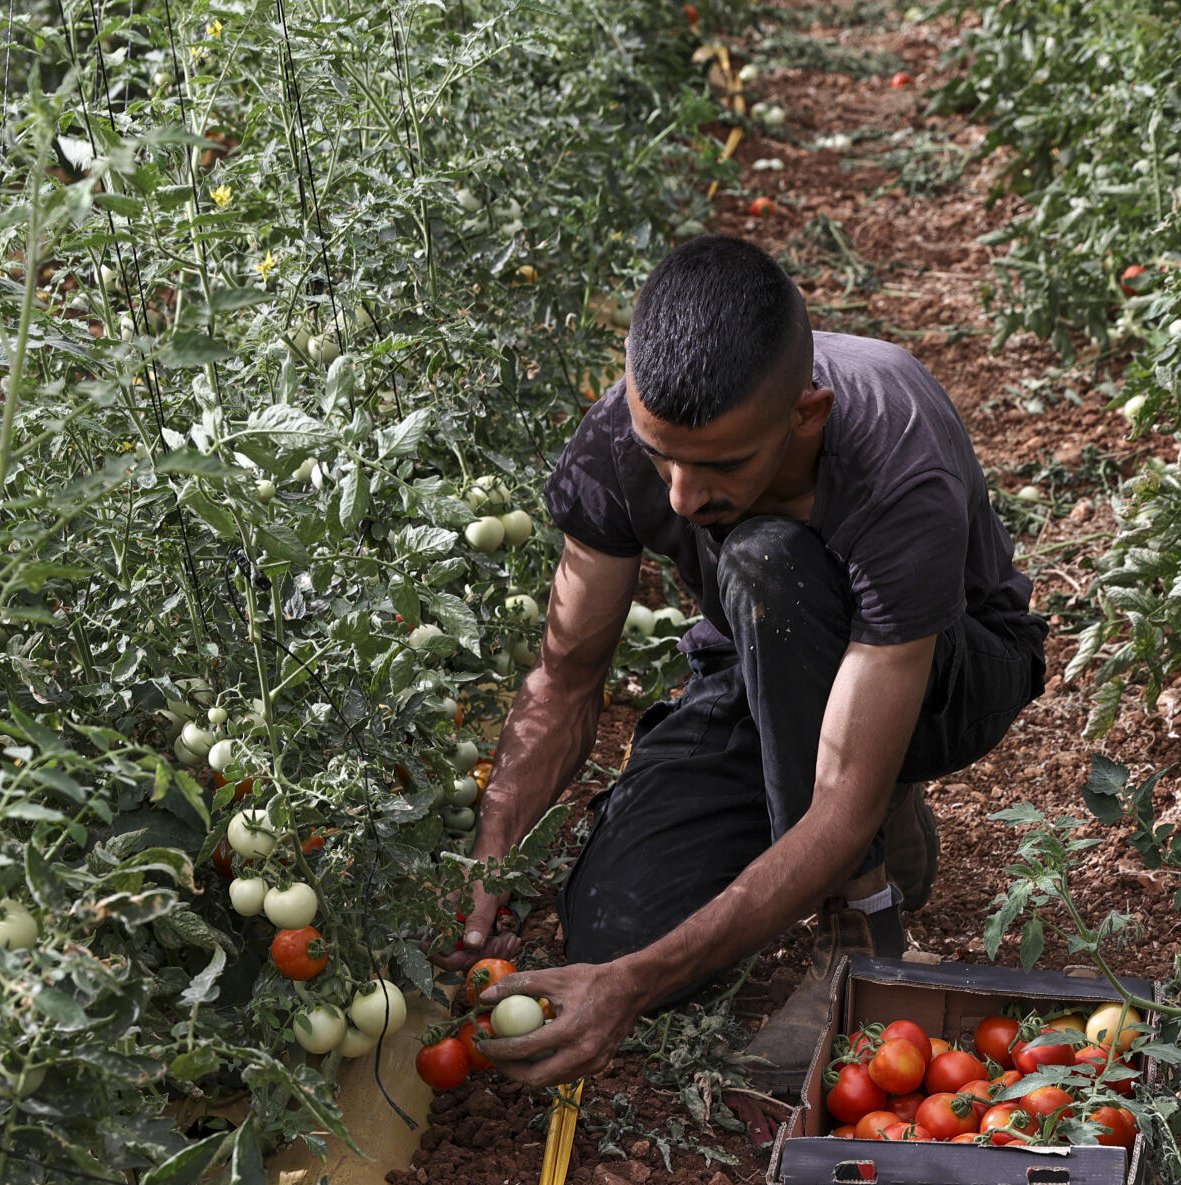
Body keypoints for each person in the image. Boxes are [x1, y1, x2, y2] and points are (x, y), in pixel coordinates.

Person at [444, 236, 1047, 1086]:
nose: (682, 495)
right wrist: (491, 859)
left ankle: (862, 931)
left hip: (944, 672)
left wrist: (634, 988)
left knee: (768, 561)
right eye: (661, 455)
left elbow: (840, 803)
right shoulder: (619, 437)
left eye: (720, 465)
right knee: (613, 938)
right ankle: (865, 813)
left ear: (807, 415)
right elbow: (566, 677)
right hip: (760, 659)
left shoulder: (893, 458)